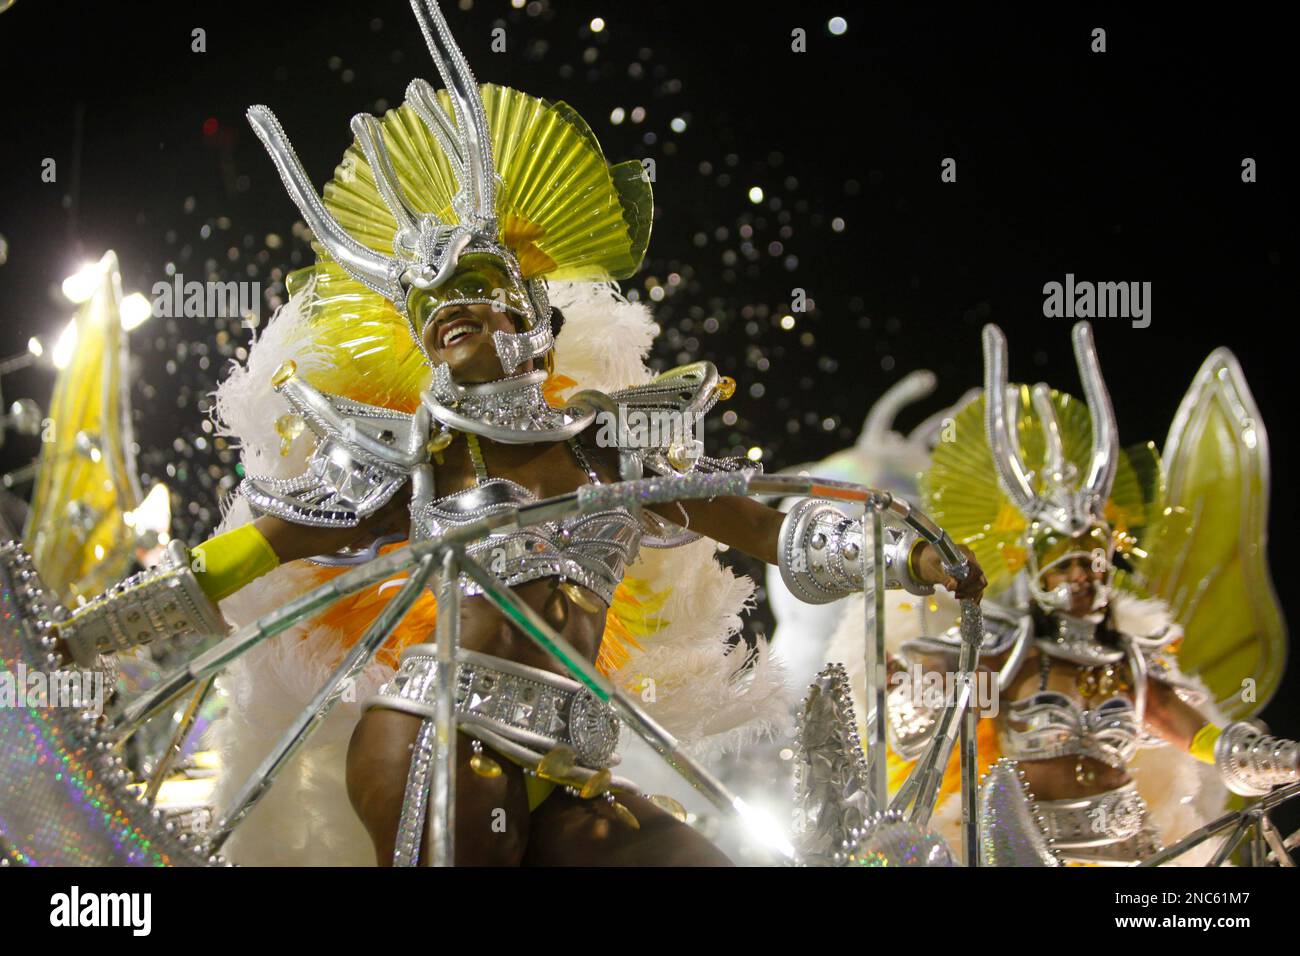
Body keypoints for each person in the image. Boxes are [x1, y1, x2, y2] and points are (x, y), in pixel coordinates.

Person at [57, 0, 985, 866]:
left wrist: (910, 559)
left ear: (532, 322)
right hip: (436, 728)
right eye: (430, 309)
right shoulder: (412, 461)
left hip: (572, 749)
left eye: (475, 293)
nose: (449, 311)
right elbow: (257, 548)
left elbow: (764, 525)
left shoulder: (617, 446)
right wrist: (83, 637)